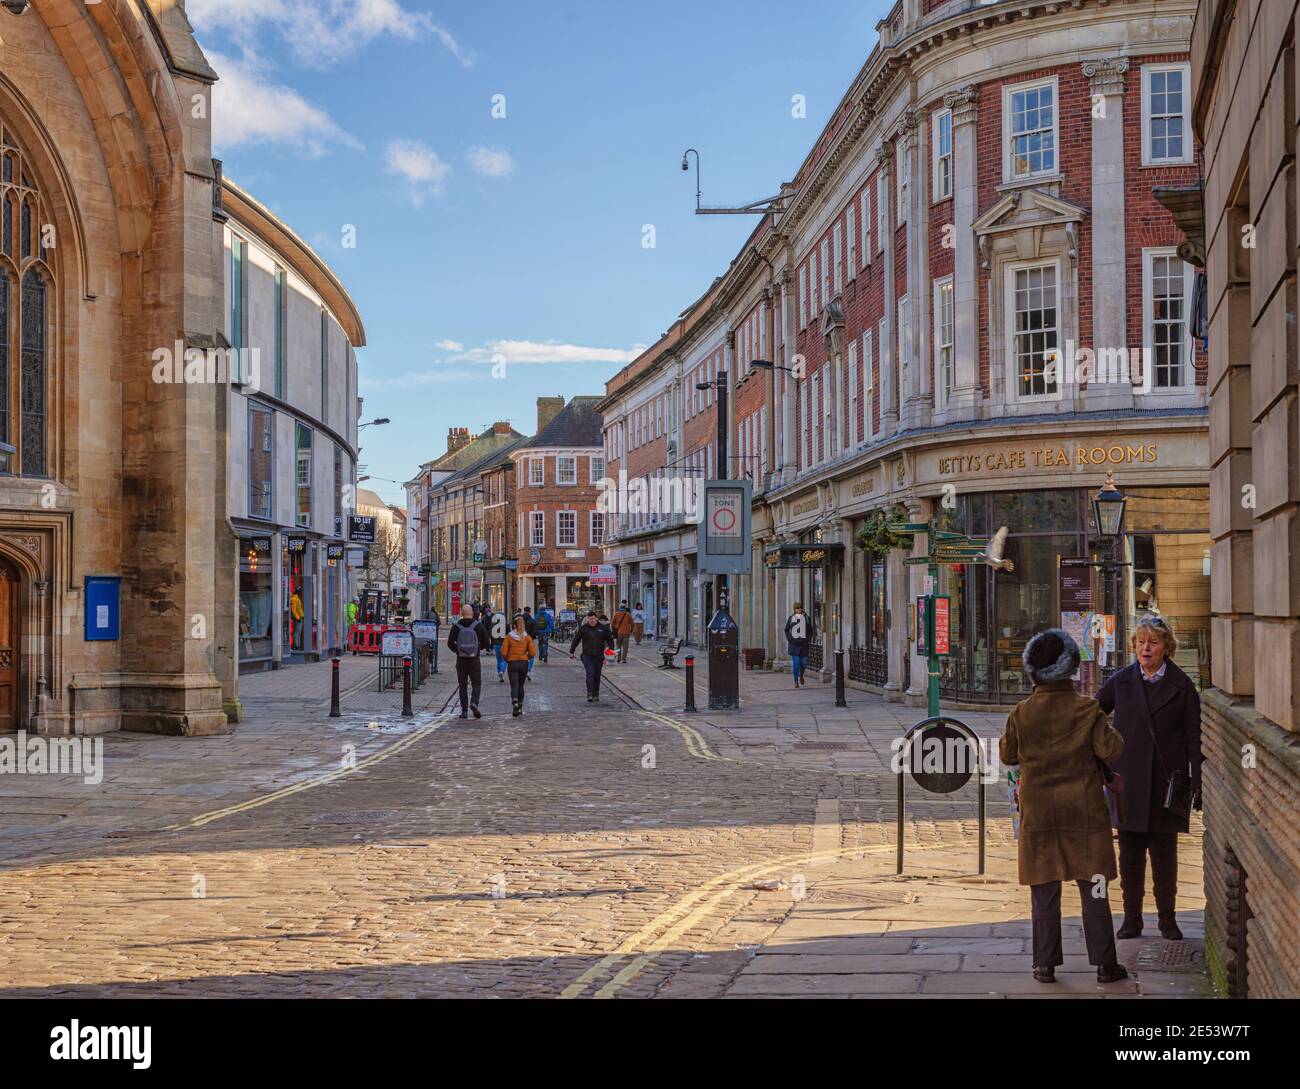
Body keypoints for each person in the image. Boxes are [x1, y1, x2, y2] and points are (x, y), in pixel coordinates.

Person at [1000, 628, 1128, 985]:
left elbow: (1008, 754)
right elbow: (1112, 750)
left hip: (1040, 815)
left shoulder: (1021, 713)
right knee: (1095, 888)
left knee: (1044, 892)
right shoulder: (1087, 710)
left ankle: (1044, 964)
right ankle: (1105, 964)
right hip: (1084, 813)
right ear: (1071, 665)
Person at [1096, 614, 1203, 941]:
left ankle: (1167, 920)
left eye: (1153, 642)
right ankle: (1131, 920)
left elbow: (1194, 737)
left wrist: (1197, 782)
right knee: (1128, 857)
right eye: (1141, 642)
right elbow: (1093, 713)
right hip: (1128, 782)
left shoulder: (1182, 686)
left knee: (1164, 856)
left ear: (1166, 647)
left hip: (1167, 785)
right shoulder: (1123, 681)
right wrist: (1102, 755)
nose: (1145, 648)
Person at [446, 604, 490, 719]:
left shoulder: (456, 626)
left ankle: (464, 711)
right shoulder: (478, 626)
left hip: (461, 660)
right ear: (472, 613)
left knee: (462, 685)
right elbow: (487, 642)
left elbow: (450, 643)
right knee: (477, 684)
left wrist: (458, 650)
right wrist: (477, 649)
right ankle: (474, 703)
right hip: (474, 660)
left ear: (462, 614)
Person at [570, 611, 615, 702]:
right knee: (590, 673)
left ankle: (596, 693)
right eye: (590, 619)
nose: (592, 621)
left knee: (597, 675)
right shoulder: (584, 628)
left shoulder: (602, 628)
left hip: (599, 656)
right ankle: (590, 693)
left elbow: (610, 639)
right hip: (587, 655)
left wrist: (611, 649)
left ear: (596, 619)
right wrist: (572, 651)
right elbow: (576, 640)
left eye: (593, 619)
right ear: (588, 619)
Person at [501, 614, 538, 716]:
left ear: (514, 625)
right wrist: (527, 657)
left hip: (512, 663)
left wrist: (508, 659)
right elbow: (533, 652)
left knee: (514, 685)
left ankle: (515, 701)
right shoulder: (527, 637)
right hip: (523, 663)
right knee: (521, 686)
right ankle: (520, 707)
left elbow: (503, 652)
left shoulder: (509, 637)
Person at [784, 602, 812, 688]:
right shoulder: (791, 618)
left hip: (804, 645)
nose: (799, 609)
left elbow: (810, 630)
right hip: (794, 646)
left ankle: (801, 675)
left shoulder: (807, 618)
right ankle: (796, 681)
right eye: (797, 608)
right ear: (794, 609)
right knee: (796, 663)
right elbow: (786, 630)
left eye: (800, 608)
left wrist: (808, 639)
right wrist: (790, 639)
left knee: (804, 663)